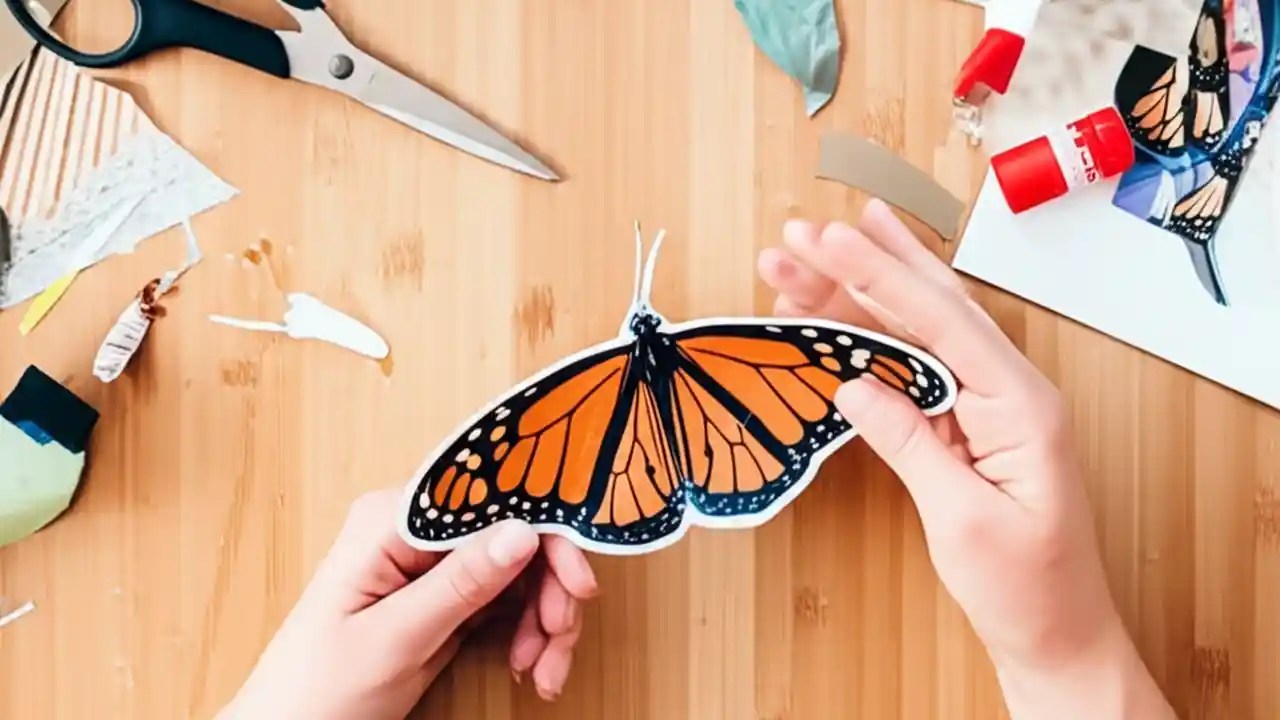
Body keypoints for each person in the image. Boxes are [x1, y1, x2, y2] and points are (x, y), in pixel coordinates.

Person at [217, 200, 1177, 720]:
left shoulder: (560, 411)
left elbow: (511, 456)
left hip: (630, 472)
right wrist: (1070, 665)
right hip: (723, 443)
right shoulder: (713, 366)